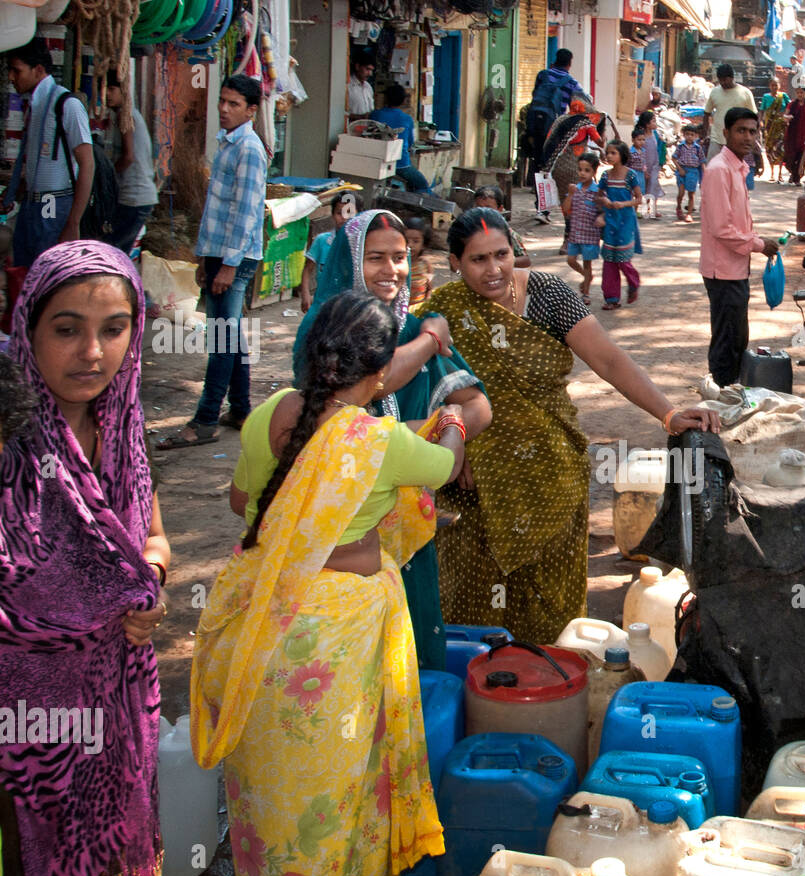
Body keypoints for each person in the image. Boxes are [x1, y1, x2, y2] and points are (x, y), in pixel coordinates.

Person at [191, 291, 465, 876]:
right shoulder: (377, 440)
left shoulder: (266, 415)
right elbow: (447, 469)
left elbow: (240, 502)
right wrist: (451, 417)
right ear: (378, 375)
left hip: (262, 635)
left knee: (273, 805)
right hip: (333, 648)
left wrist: (299, 514)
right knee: (336, 799)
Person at [428, 207, 721, 642]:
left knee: (550, 599)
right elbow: (426, 387)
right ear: (454, 262)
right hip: (475, 484)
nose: (493, 270)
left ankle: (550, 688)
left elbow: (608, 358)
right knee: (475, 602)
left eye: (501, 255)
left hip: (550, 471)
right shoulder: (443, 312)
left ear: (515, 251)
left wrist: (667, 413)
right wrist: (449, 443)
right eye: (477, 260)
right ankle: (481, 695)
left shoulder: (548, 294)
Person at [0, 242, 170, 876]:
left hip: (114, 709)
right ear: (28, 329)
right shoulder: (8, 436)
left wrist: (152, 583)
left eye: (113, 328)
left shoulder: (122, 429)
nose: (92, 352)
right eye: (66, 329)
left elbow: (152, 540)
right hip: (23, 733)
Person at [291, 209, 491, 669]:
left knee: (411, 638)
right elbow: (372, 383)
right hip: (344, 519)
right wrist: (427, 342)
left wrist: (438, 435)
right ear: (348, 261)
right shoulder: (323, 327)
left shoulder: (410, 322)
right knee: (345, 656)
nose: (392, 270)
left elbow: (477, 405)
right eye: (375, 258)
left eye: (400, 257)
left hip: (406, 512)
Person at [159, 75, 268, 448]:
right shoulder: (229, 144)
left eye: (233, 103)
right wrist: (206, 258)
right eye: (222, 101)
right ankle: (239, 409)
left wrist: (229, 265)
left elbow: (246, 214)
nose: (223, 109)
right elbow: (217, 211)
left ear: (251, 110)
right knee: (230, 335)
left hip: (236, 257)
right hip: (220, 253)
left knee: (220, 340)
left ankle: (204, 420)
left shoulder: (248, 149)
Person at [700, 108, 782, 387]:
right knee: (727, 340)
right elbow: (722, 229)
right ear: (726, 133)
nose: (748, 137)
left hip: (735, 268)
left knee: (736, 337)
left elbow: (736, 222)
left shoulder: (738, 168)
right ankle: (723, 399)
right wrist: (759, 245)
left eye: (752, 131)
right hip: (722, 270)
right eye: (741, 131)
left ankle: (729, 393)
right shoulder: (719, 170)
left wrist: (757, 242)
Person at [0, 39, 94, 267]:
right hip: (33, 205)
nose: (11, 77)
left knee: (48, 274)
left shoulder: (66, 104)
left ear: (38, 70)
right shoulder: (34, 105)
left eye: (17, 70)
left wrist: (73, 222)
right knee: (25, 272)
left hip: (54, 204)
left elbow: (88, 165)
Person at [527, 49, 592, 219]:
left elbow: (534, 95)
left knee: (538, 165)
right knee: (550, 165)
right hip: (554, 128)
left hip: (536, 124)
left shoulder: (543, 75)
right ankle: (548, 207)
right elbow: (586, 101)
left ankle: (541, 208)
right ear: (569, 64)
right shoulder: (571, 83)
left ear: (555, 60)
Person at [102, 70, 158, 257]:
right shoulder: (123, 115)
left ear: (124, 91)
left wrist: (106, 177)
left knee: (113, 252)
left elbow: (128, 157)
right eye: (105, 89)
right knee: (117, 250)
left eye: (112, 89)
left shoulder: (126, 116)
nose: (107, 94)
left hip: (134, 197)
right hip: (136, 197)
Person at [596, 141, 643, 311]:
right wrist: (606, 202)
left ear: (621, 155)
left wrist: (623, 204)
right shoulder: (605, 176)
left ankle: (633, 282)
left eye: (613, 153)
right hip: (610, 219)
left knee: (622, 259)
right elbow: (599, 196)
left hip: (625, 220)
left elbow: (639, 198)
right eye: (608, 152)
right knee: (609, 260)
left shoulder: (631, 175)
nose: (609, 156)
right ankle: (612, 298)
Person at [368, 84, 430, 194]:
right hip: (401, 165)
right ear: (402, 101)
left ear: (386, 98)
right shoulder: (407, 119)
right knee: (422, 185)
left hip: (378, 162)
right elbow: (410, 143)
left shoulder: (376, 115)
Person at [300, 192, 356, 313]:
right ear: (332, 215)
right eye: (339, 213)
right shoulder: (322, 241)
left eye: (349, 213)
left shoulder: (360, 246)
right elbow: (307, 269)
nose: (344, 218)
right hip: (321, 303)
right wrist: (305, 294)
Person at [563, 153, 601, 303]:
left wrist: (601, 217)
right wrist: (570, 195)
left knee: (587, 263)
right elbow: (566, 209)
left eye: (587, 170)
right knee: (571, 260)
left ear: (593, 172)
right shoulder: (574, 189)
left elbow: (602, 210)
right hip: (575, 233)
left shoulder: (596, 191)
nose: (582, 173)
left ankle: (586, 293)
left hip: (590, 234)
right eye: (580, 170)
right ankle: (587, 277)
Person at [703, 65, 757, 162]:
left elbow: (754, 117)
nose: (722, 83)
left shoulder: (745, 93)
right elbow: (706, 113)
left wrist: (753, 138)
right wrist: (706, 134)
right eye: (720, 80)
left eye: (725, 80)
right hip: (717, 139)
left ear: (732, 78)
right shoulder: (715, 92)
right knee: (713, 168)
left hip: (737, 141)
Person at [470, 185, 531, 269]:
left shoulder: (507, 234)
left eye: (488, 208)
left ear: (500, 209)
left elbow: (525, 261)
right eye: (479, 207)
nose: (482, 212)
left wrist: (501, 261)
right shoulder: (470, 231)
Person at [633, 110, 666, 219]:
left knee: (653, 186)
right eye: (653, 121)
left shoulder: (656, 134)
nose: (655, 123)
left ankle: (652, 209)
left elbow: (660, 147)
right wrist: (644, 168)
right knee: (642, 187)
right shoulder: (641, 136)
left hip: (655, 165)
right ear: (647, 124)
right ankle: (640, 209)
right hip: (643, 165)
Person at [404, 216, 440, 310]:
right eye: (406, 241)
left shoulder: (426, 265)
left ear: (424, 244)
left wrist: (427, 305)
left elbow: (429, 289)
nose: (410, 245)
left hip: (418, 311)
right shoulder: (399, 265)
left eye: (415, 241)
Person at [672, 125, 706, 221]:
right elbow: (674, 158)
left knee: (691, 193)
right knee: (681, 193)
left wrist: (705, 172)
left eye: (692, 135)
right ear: (684, 135)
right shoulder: (680, 146)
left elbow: (702, 161)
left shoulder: (698, 148)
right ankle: (679, 207)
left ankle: (689, 214)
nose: (689, 137)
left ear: (695, 136)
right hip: (682, 170)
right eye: (687, 134)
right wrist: (679, 169)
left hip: (693, 172)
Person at [782, 85, 805, 186]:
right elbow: (785, 116)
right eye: (798, 93)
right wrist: (788, 118)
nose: (800, 95)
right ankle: (793, 172)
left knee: (802, 157)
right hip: (792, 134)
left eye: (802, 93)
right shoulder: (791, 105)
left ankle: (797, 178)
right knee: (790, 157)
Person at [759, 79, 788, 183]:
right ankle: (772, 172)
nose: (774, 87)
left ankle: (780, 173)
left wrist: (785, 117)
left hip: (781, 126)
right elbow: (762, 110)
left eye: (776, 85)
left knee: (781, 148)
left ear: (779, 86)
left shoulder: (783, 96)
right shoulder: (766, 97)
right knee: (769, 148)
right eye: (772, 85)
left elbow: (789, 107)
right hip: (769, 127)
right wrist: (760, 122)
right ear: (769, 86)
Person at [346, 52, 375, 118]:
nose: (370, 74)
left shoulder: (368, 87)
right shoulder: (348, 86)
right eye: (367, 69)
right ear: (357, 66)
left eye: (371, 70)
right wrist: (359, 117)